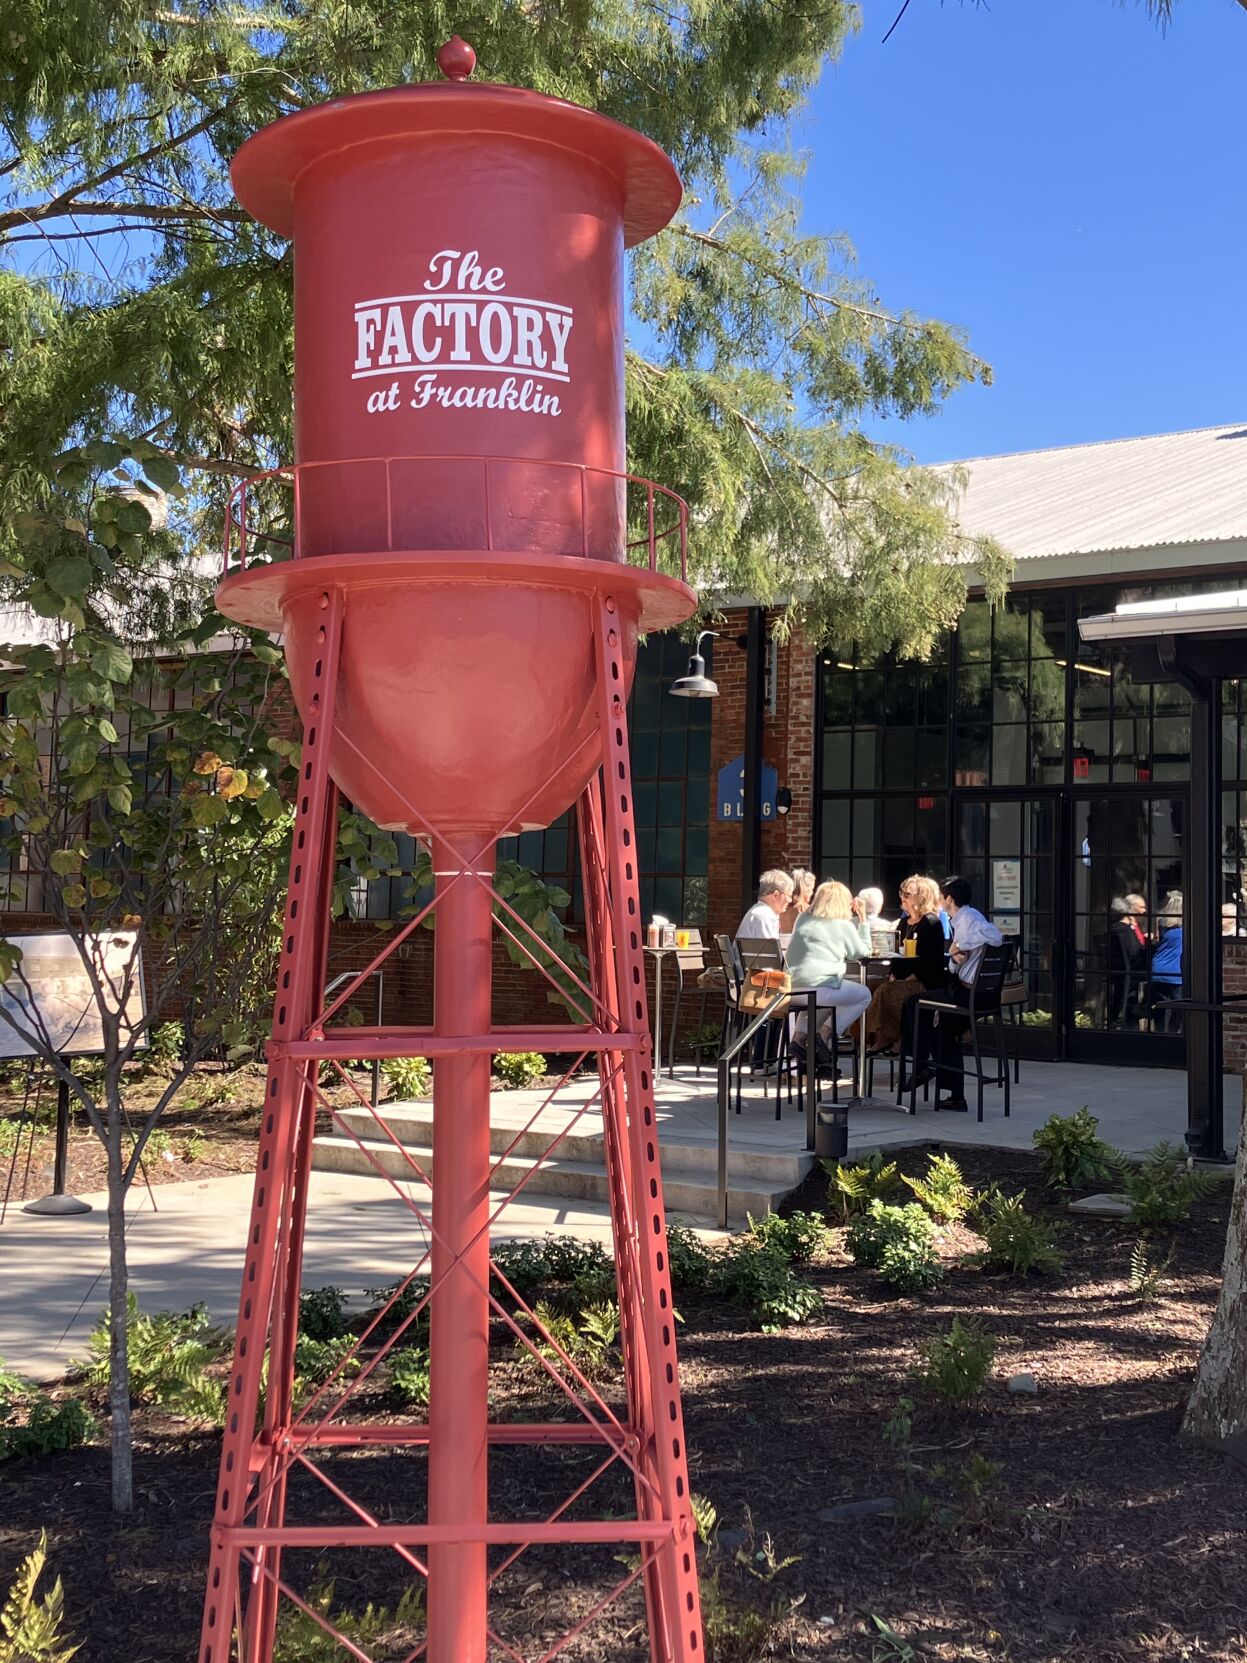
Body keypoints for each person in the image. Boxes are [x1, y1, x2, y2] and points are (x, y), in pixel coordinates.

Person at [907, 874, 1002, 1110]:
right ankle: (955, 1096)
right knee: (942, 1031)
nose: (939, 901)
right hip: (979, 993)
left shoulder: (968, 918)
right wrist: (955, 954)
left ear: (949, 899)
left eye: (941, 897)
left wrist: (959, 946)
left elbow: (996, 937)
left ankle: (920, 1065)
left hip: (969, 994)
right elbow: (954, 965)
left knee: (914, 1004)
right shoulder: (963, 919)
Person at [784, 880, 873, 1053]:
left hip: (790, 989)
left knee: (819, 998)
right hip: (820, 988)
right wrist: (863, 920)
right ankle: (825, 1034)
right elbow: (863, 953)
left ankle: (799, 1038)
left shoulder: (803, 919)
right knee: (864, 995)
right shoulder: (843, 926)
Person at [863, 875, 946, 1055]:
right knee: (870, 987)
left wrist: (910, 978)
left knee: (887, 991)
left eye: (907, 894)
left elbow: (931, 960)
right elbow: (895, 953)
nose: (902, 897)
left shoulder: (931, 923)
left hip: (923, 980)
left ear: (921, 897)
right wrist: (893, 974)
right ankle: (869, 1038)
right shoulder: (903, 922)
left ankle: (891, 1038)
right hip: (902, 977)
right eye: (901, 893)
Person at [1108, 896, 1145, 1027]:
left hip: (1114, 971)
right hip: (1129, 975)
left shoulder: (1111, 929)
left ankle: (1114, 1021)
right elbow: (1135, 952)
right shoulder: (1126, 930)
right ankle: (1130, 1024)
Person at [1149, 890, 1184, 1021]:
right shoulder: (1185, 928)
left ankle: (1160, 1030)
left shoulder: (1162, 923)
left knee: (1159, 1007)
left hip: (1158, 967)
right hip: (1176, 970)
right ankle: (1176, 1030)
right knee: (1179, 1008)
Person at [735, 870, 794, 944]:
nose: (790, 900)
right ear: (776, 895)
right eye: (789, 895)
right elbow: (771, 950)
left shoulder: (761, 912)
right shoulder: (764, 916)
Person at [779, 868, 816, 935]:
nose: (812, 893)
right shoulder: (805, 909)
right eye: (812, 889)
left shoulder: (782, 909)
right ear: (805, 889)